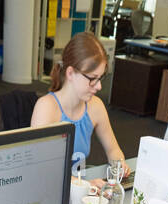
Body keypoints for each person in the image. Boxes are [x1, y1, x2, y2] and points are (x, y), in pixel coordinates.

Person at [31, 33, 127, 182]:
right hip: (50, 193)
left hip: (78, 193)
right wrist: (86, 186)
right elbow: (43, 170)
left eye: (100, 78)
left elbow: (113, 149)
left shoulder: (95, 106)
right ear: (70, 73)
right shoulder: (46, 108)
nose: (99, 86)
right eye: (92, 79)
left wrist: (119, 164)